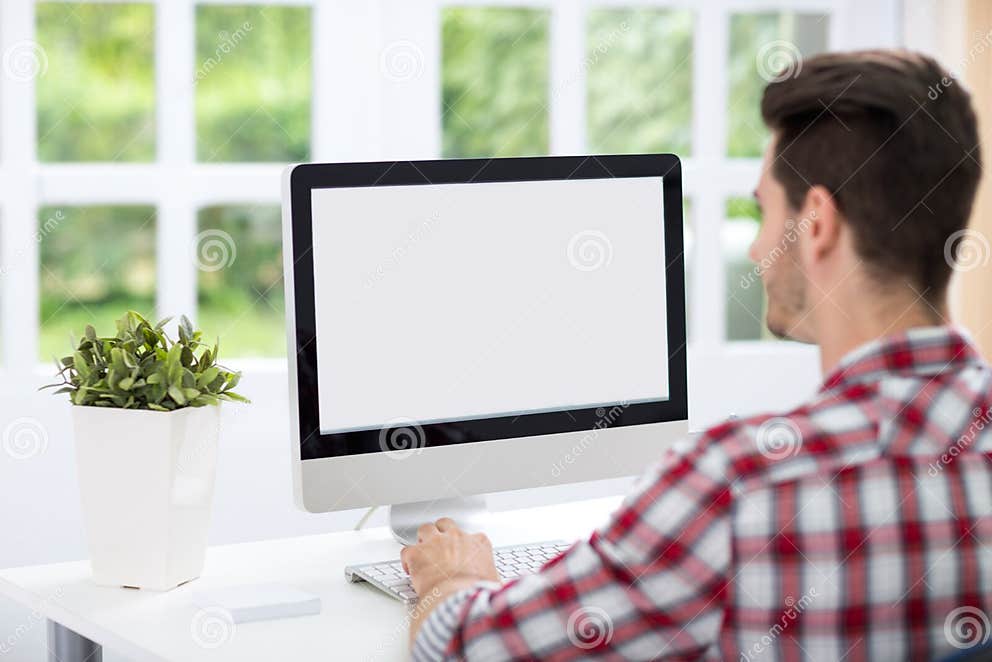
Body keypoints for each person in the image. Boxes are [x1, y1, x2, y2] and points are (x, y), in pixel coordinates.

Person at [403, 50, 991, 660]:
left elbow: (466, 648)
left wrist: (451, 576)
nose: (759, 248)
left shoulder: (738, 484)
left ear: (815, 224)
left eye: (764, 211)